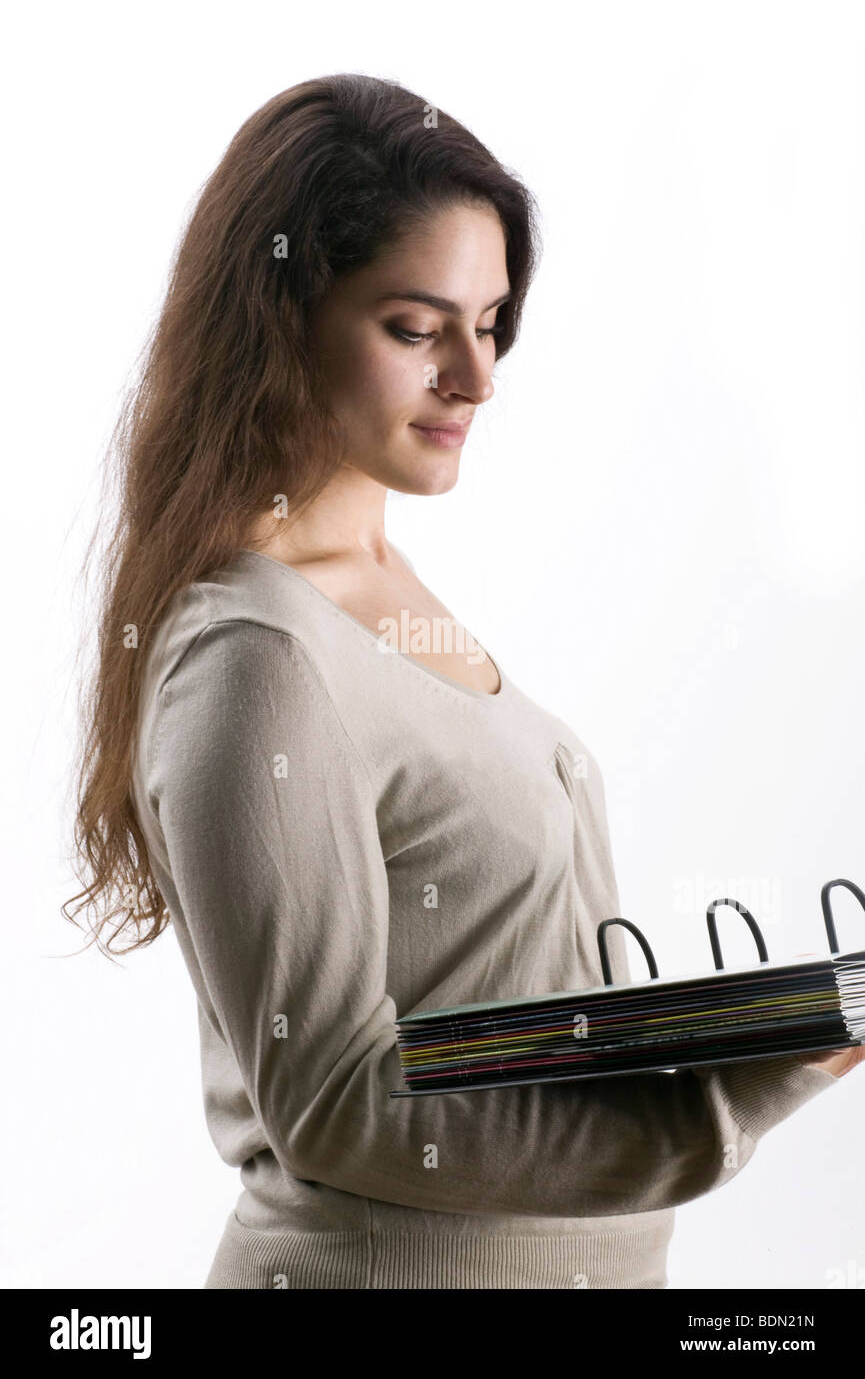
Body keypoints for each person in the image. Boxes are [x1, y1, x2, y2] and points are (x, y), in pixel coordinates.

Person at [64, 73, 862, 1291]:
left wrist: (756, 1019)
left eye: (489, 323)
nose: (476, 377)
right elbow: (336, 1102)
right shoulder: (255, 657)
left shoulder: (382, 587)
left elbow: (478, 1010)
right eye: (414, 328)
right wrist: (735, 1094)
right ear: (279, 317)